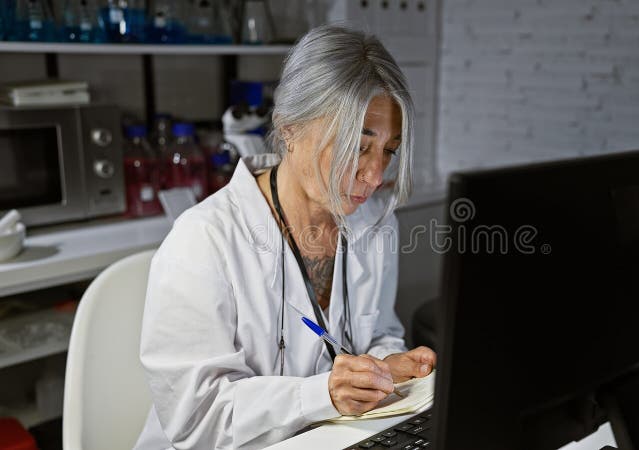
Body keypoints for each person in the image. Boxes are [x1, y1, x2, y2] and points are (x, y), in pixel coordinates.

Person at [133, 25, 437, 449]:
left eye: (388, 150)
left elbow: (378, 332)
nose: (374, 176)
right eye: (356, 145)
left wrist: (388, 365)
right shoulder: (203, 242)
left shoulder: (375, 225)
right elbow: (197, 421)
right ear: (289, 128)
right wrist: (322, 394)